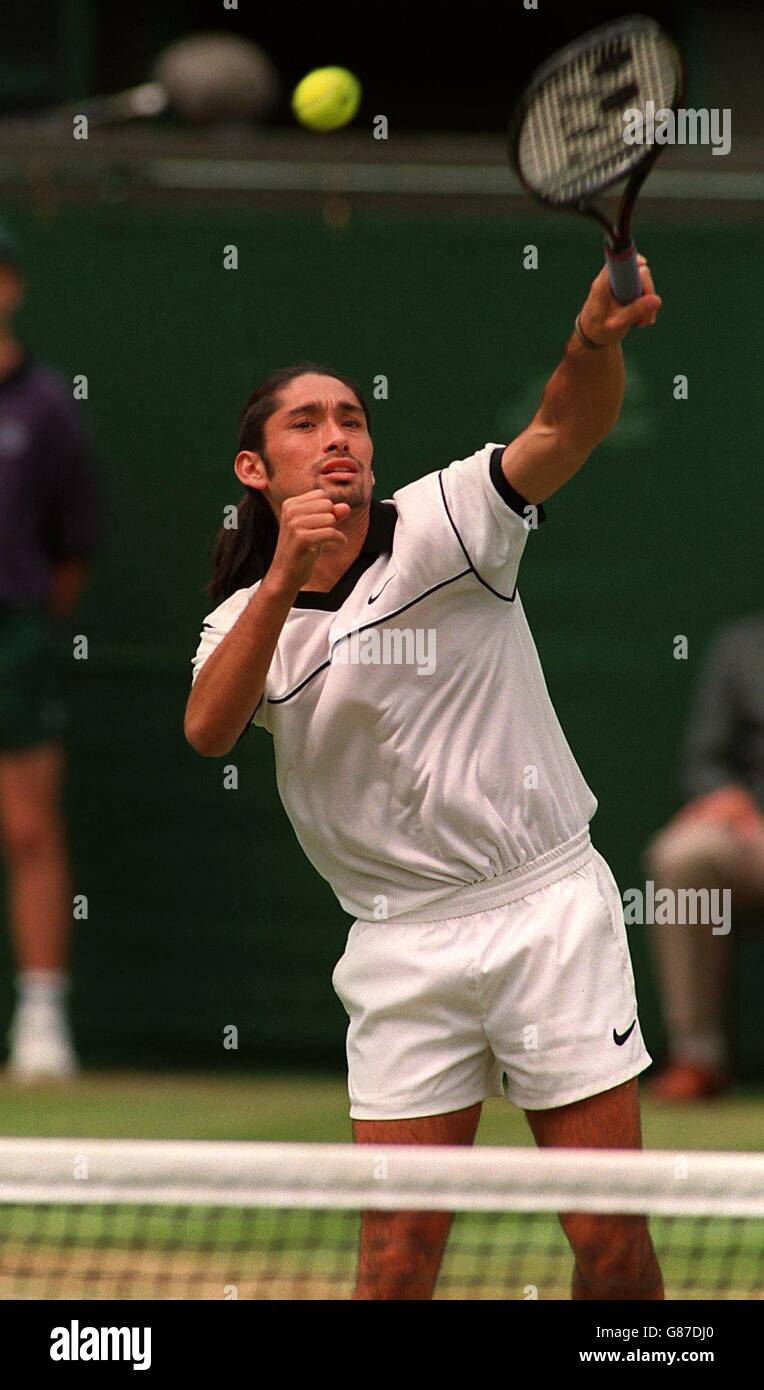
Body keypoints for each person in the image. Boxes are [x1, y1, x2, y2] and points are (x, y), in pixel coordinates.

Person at [186, 255, 665, 1300]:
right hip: (399, 945)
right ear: (255, 470)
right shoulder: (241, 622)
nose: (337, 436)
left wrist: (591, 340)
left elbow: (562, 429)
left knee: (610, 1247)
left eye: (350, 417)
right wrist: (279, 576)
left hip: (543, 913)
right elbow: (208, 730)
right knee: (396, 1265)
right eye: (306, 423)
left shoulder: (451, 521)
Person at [0, 226, 101, 1079]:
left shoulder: (48, 409)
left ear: (12, 286)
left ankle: (40, 1024)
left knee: (28, 825)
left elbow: (71, 553)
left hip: (15, 633)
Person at [644, 615, 764, 1102]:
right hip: (755, 834)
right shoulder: (742, 646)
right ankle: (698, 1056)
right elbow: (704, 763)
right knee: (682, 855)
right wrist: (729, 800)